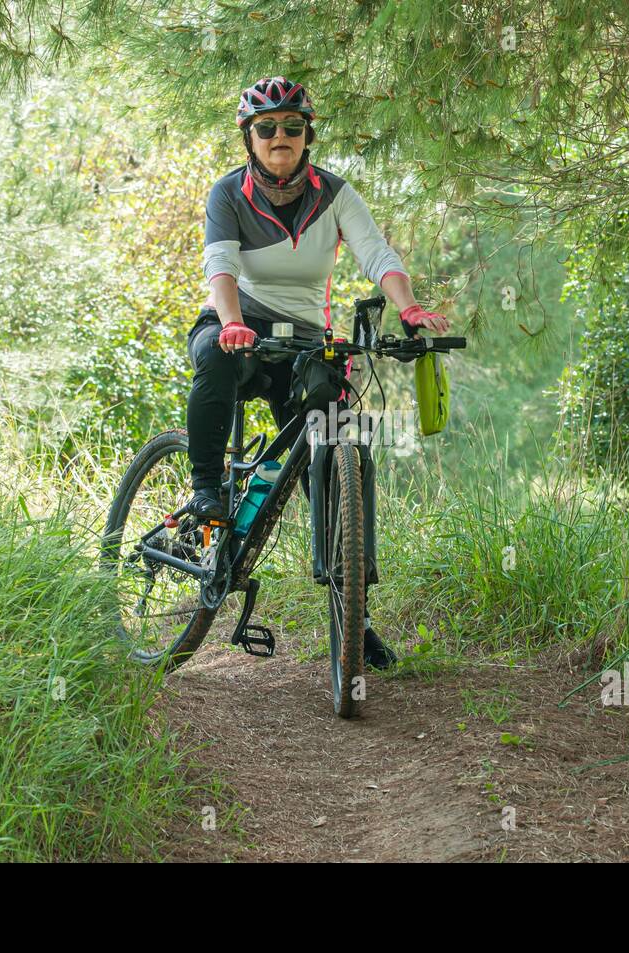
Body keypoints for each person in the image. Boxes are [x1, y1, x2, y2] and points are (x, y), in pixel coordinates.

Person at [185, 76, 449, 668]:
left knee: (335, 451)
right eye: (267, 128)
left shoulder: (335, 194)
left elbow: (377, 254)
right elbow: (221, 267)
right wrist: (231, 323)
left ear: (307, 136)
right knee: (213, 358)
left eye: (292, 128)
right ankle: (206, 487)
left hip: (306, 342)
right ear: (249, 137)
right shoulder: (227, 193)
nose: (280, 137)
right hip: (240, 325)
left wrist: (406, 307)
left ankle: (355, 615)